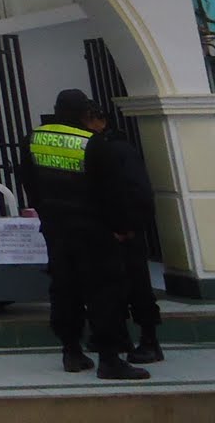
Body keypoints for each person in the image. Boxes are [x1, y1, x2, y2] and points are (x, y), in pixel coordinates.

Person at [19, 88, 148, 380]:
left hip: (56, 229)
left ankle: (71, 351)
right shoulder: (94, 143)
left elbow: (29, 182)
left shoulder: (33, 140)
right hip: (93, 231)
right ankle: (109, 358)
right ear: (84, 113)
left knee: (64, 289)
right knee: (104, 292)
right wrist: (122, 228)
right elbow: (111, 192)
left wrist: (46, 212)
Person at [82, 102, 162, 364]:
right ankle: (119, 337)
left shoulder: (117, 149)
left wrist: (128, 226)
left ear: (99, 121)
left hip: (126, 231)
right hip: (107, 229)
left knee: (137, 285)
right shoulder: (98, 148)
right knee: (111, 288)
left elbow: (137, 191)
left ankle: (149, 340)